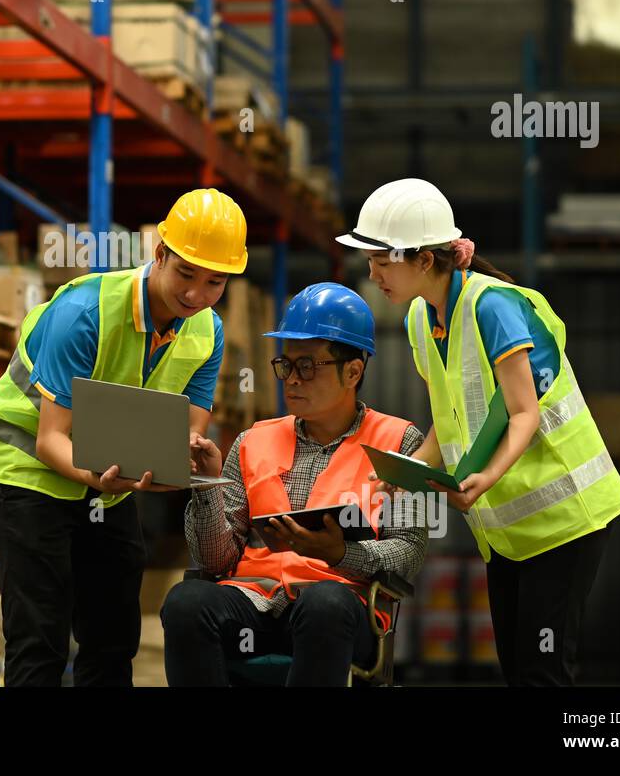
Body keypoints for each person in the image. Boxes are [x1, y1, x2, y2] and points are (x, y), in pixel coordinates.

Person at [339, 177, 620, 686]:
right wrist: (402, 473)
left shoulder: (493, 307)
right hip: (507, 535)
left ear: (424, 261)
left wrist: (485, 477)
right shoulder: (420, 320)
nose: (373, 275)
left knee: (543, 672)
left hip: (566, 521)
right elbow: (449, 427)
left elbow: (524, 414)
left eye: (382, 263)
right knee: (518, 671)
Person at [0, 188, 248, 686]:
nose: (196, 294)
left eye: (215, 282)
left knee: (113, 632)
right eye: (186, 273)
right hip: (26, 466)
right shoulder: (86, 313)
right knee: (40, 635)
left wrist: (188, 469)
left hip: (110, 474)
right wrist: (99, 477)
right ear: (160, 253)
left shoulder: (207, 332)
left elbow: (184, 439)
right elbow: (50, 440)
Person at [161, 283, 428, 686]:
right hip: (255, 599)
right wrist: (205, 486)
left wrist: (341, 553)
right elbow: (215, 562)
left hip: (339, 605)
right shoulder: (253, 440)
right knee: (186, 602)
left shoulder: (402, 443)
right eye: (286, 365)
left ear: (353, 371)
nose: (292, 380)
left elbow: (408, 553)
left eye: (307, 366)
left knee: (324, 604)